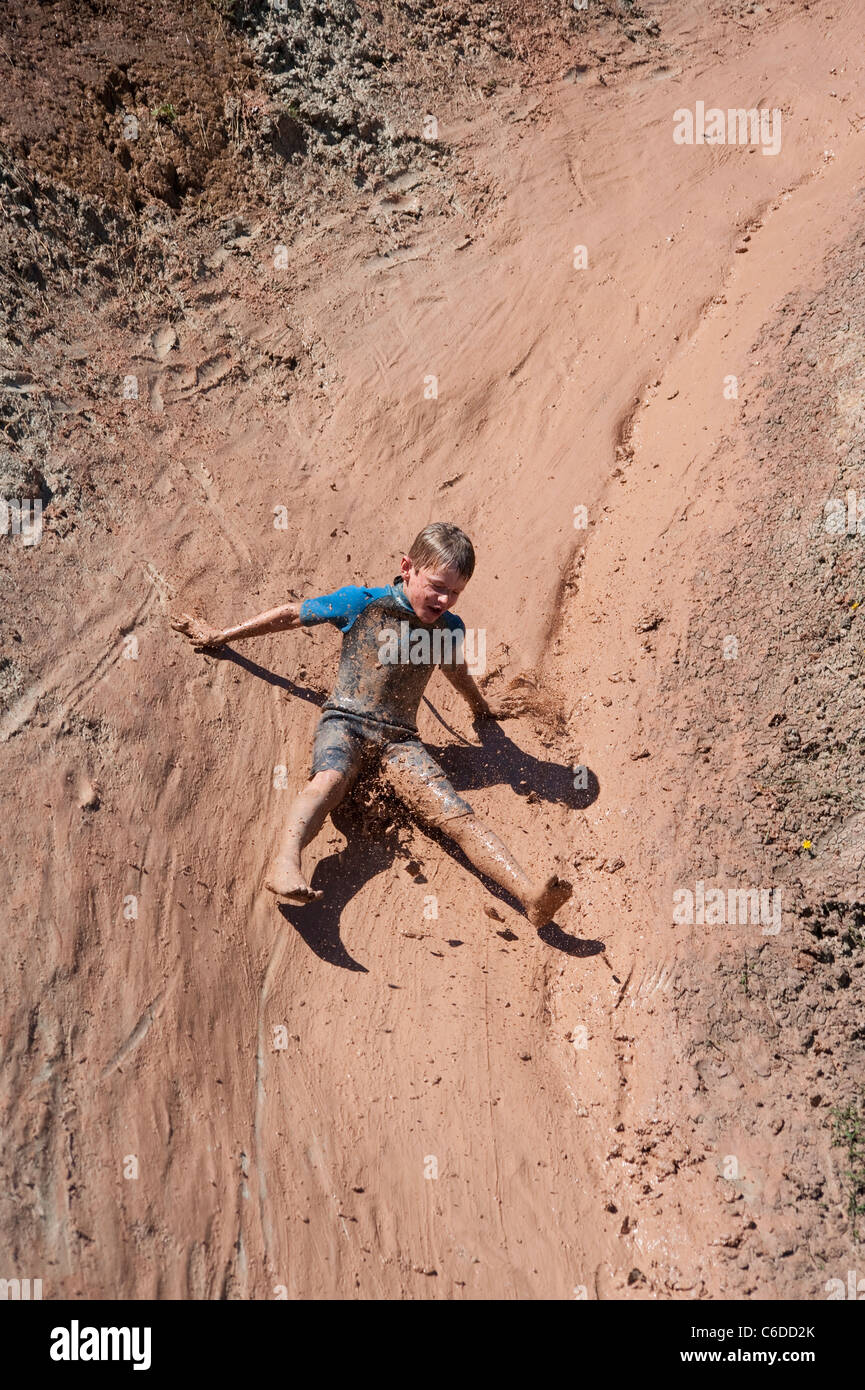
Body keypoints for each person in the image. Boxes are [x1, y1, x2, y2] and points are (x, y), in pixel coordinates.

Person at [171, 522, 572, 927]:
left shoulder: (448, 627)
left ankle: (528, 897)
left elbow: (455, 669)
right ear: (407, 567)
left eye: (455, 592)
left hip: (400, 742)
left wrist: (480, 707)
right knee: (328, 781)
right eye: (436, 585)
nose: (444, 599)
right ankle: (285, 862)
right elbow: (292, 614)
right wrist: (220, 635)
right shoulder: (360, 603)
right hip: (345, 722)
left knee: (458, 817)